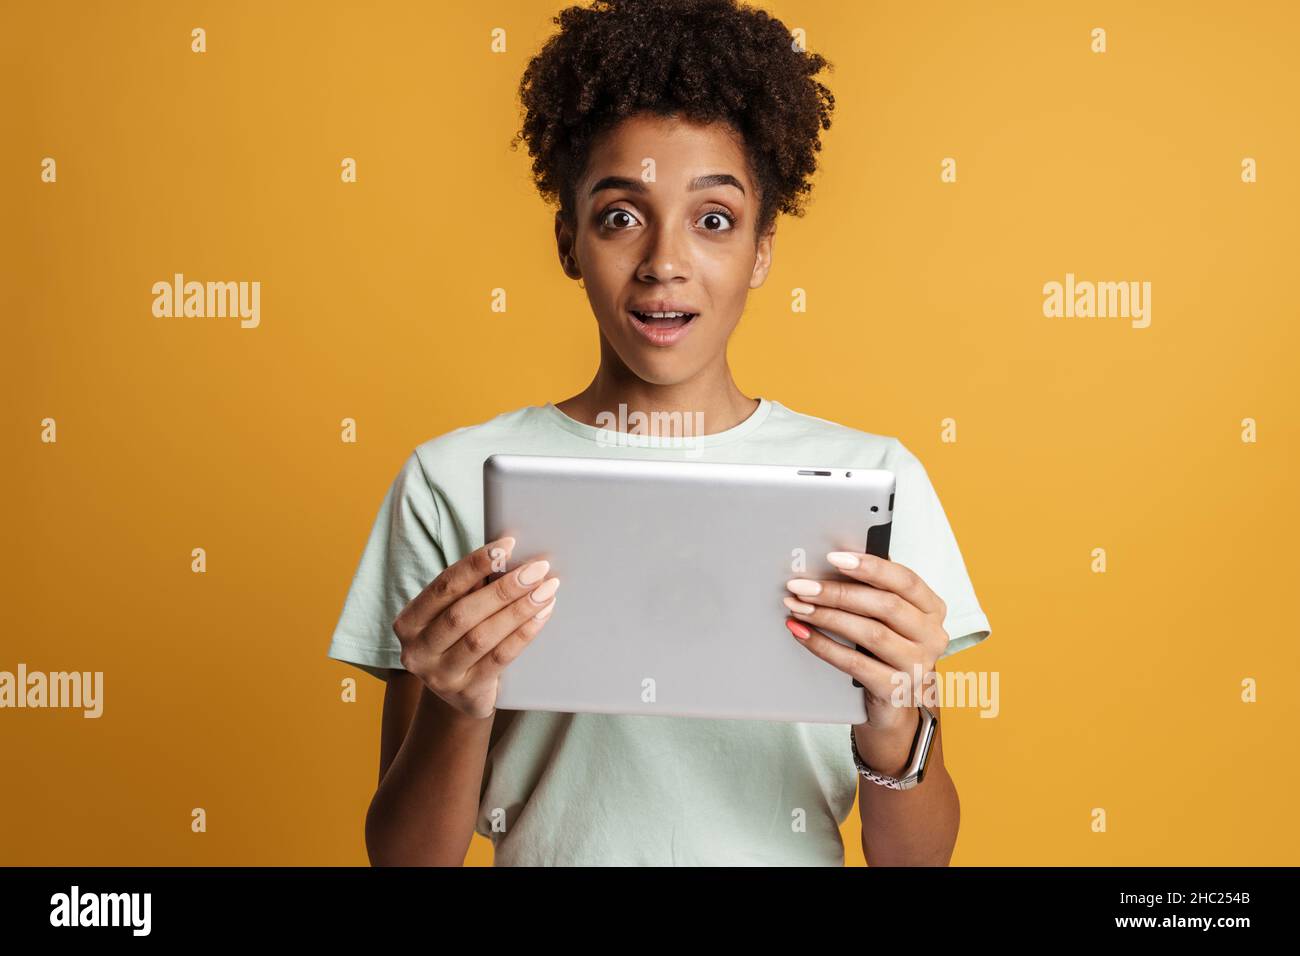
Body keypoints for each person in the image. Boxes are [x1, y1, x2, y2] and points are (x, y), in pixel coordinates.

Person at [327, 0, 992, 866]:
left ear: (760, 249)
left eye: (713, 219)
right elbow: (406, 861)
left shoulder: (873, 480)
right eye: (620, 216)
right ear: (569, 240)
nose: (664, 261)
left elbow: (919, 862)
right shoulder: (453, 480)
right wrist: (458, 704)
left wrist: (897, 716)